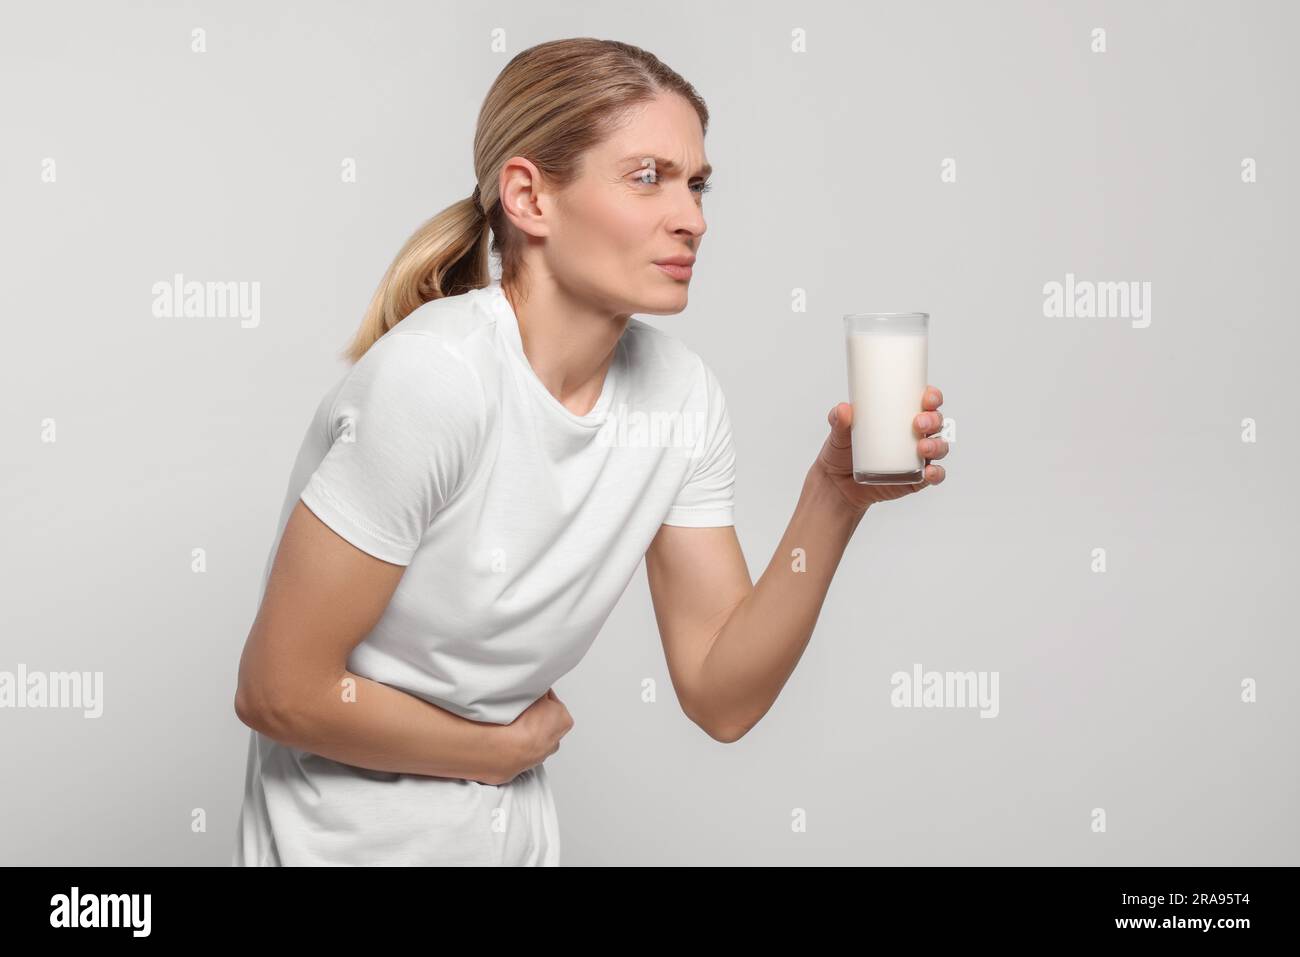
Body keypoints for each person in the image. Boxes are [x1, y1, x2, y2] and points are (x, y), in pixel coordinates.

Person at [231, 37, 948, 867]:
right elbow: (278, 690)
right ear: (530, 197)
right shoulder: (436, 380)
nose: (693, 217)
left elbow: (721, 694)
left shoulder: (680, 397)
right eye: (649, 177)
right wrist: (492, 752)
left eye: (698, 183)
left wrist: (835, 496)